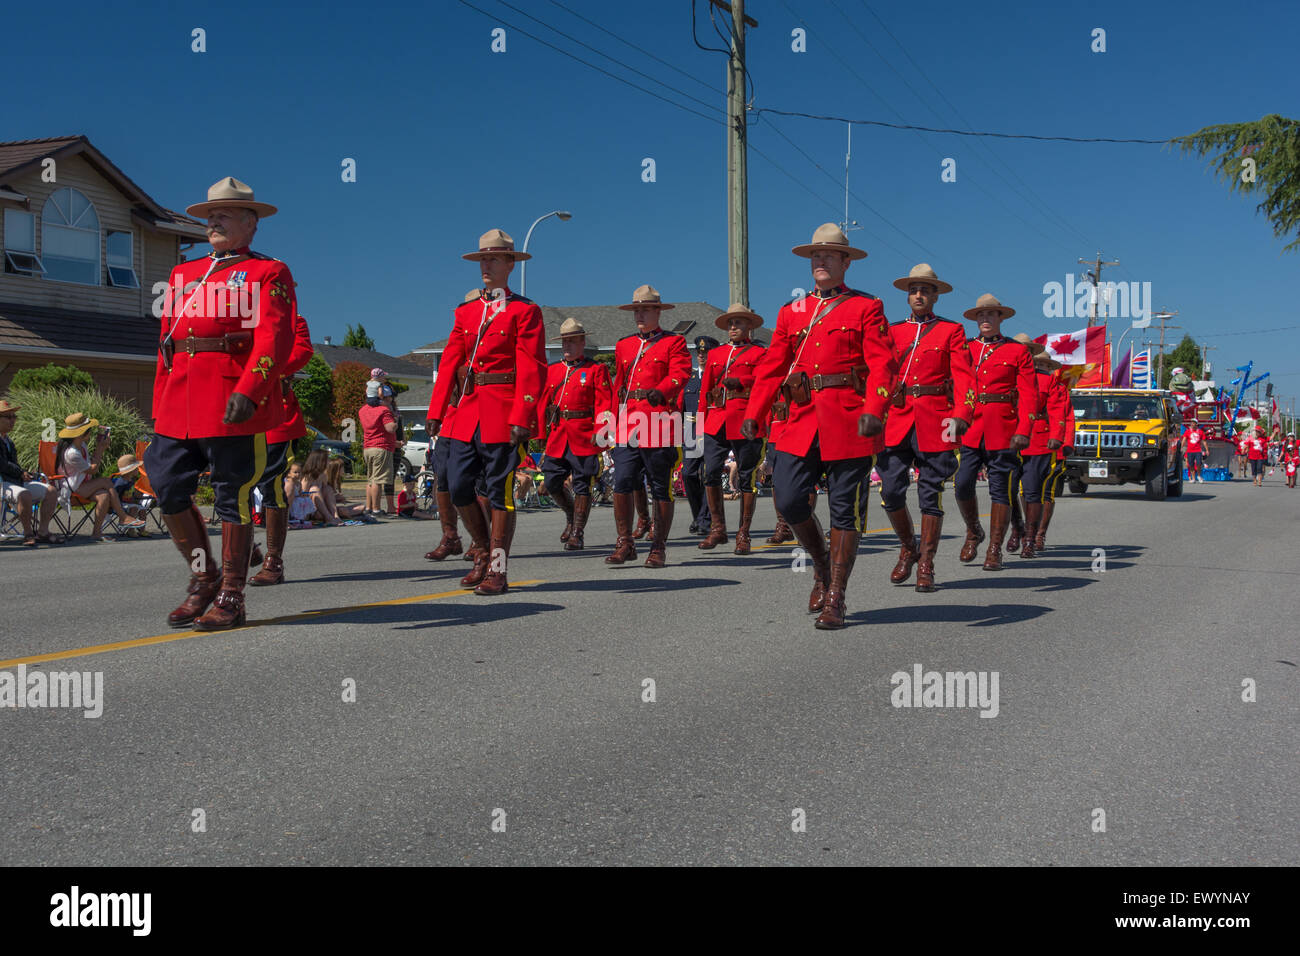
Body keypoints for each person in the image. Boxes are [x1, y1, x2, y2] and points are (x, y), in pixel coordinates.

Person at [144, 177, 295, 629]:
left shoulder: (269, 272)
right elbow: (166, 343)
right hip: (180, 401)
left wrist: (250, 391)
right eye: (210, 214)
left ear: (251, 223)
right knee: (166, 483)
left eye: (225, 214)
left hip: (231, 398)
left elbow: (275, 337)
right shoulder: (182, 274)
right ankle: (202, 578)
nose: (213, 220)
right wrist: (159, 402)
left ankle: (231, 594)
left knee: (232, 495)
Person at [742, 223, 898, 629]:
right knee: (789, 500)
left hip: (849, 417)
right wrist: (753, 413)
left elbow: (883, 364)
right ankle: (822, 563)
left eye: (829, 255)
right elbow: (772, 365)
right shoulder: (791, 312)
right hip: (800, 418)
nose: (820, 261)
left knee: (844, 510)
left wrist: (875, 408)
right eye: (816, 255)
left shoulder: (866, 307)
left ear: (846, 262)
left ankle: (836, 595)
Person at [426, 229, 547, 595]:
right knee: (457, 483)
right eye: (482, 259)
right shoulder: (466, 311)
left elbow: (532, 366)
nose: (486, 265)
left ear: (511, 264)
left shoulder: (525, 311)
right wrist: (436, 408)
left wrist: (522, 417)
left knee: (501, 494)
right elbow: (450, 360)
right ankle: (479, 548)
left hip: (504, 410)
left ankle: (497, 568)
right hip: (467, 409)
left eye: (494, 258)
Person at [875, 264, 976, 592]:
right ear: (908, 296)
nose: (918, 295)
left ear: (935, 295)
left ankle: (927, 565)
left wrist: (962, 413)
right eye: (913, 289)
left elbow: (963, 376)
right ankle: (908, 547)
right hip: (898, 417)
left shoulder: (952, 331)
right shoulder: (891, 332)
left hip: (938, 418)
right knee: (890, 489)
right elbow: (881, 373)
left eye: (925, 290)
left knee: (930, 492)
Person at [605, 284, 690, 568]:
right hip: (628, 421)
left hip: (658, 420)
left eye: (645, 309)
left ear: (657, 312)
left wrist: (663, 389)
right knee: (622, 481)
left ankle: (658, 547)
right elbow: (617, 386)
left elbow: (681, 373)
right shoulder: (624, 345)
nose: (640, 315)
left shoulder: (673, 342)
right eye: (636, 310)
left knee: (659, 487)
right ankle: (625, 542)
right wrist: (609, 422)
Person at [952, 294, 1036, 571]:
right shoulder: (964, 348)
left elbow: (1028, 395)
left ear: (1001, 318)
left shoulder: (1017, 351)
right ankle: (974, 530)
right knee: (962, 482)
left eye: (991, 314)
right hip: (972, 426)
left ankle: (994, 549)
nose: (985, 319)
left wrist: (1024, 429)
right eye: (981, 315)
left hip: (1004, 428)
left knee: (1001, 490)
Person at [537, 317, 613, 550]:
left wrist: (601, 432)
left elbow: (605, 403)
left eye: (572, 341)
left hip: (584, 434)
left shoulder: (595, 370)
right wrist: (539, 433)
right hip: (559, 435)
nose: (567, 346)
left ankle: (577, 532)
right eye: (564, 342)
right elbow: (542, 404)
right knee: (551, 482)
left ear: (582, 342)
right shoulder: (553, 371)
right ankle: (571, 515)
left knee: (582, 485)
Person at [250, 311, 313, 586]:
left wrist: (263, 368)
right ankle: (245, 545)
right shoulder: (241, 314)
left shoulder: (292, 318)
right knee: (231, 479)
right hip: (241, 411)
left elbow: (302, 350)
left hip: (276, 411)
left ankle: (273, 561)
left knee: (272, 483)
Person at [698, 304, 767, 554]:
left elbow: (765, 381)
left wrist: (743, 381)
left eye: (738, 323)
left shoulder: (759, 353)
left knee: (747, 477)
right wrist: (701, 422)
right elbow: (706, 389)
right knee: (710, 471)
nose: (733, 327)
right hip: (716, 419)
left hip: (745, 419)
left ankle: (744, 533)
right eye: (730, 324)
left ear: (750, 325)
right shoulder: (716, 354)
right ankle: (717, 528)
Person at [1014, 340, 1069, 559]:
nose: (1042, 367)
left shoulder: (1051, 383)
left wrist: (1065, 441)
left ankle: (1036, 535)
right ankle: (1020, 530)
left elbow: (1064, 415)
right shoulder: (1011, 376)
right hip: (1011, 437)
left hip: (1040, 439)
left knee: (1040, 491)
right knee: (1015, 491)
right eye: (1040, 363)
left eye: (1047, 365)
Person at [54, 414, 147, 540]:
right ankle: (122, 516)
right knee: (105, 481)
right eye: (89, 431)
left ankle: (97, 533)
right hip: (72, 487)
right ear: (82, 433)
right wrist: (100, 448)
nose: (91, 433)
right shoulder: (72, 453)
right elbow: (93, 469)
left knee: (104, 496)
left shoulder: (81, 446)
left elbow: (91, 463)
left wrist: (100, 448)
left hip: (82, 485)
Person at [0, 399, 61, 545]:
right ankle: (28, 534)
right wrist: (21, 473)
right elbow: (2, 465)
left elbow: (12, 465)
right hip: (2, 482)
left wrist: (25, 473)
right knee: (24, 494)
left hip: (13, 481)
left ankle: (43, 532)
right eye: (8, 417)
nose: (13, 420)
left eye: (14, 416)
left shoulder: (8, 440)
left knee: (51, 491)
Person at [681, 335, 718, 536]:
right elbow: (682, 407)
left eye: (705, 352)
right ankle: (699, 515)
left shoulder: (718, 378)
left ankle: (705, 519)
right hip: (692, 429)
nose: (701, 356)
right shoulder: (690, 379)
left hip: (711, 430)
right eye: (699, 352)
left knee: (709, 474)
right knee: (688, 474)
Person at [359, 381, 399, 515]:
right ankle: (376, 509)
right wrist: (396, 421)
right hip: (381, 447)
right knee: (378, 480)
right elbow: (390, 428)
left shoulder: (363, 410)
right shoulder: (383, 410)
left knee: (370, 479)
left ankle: (369, 507)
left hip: (368, 446)